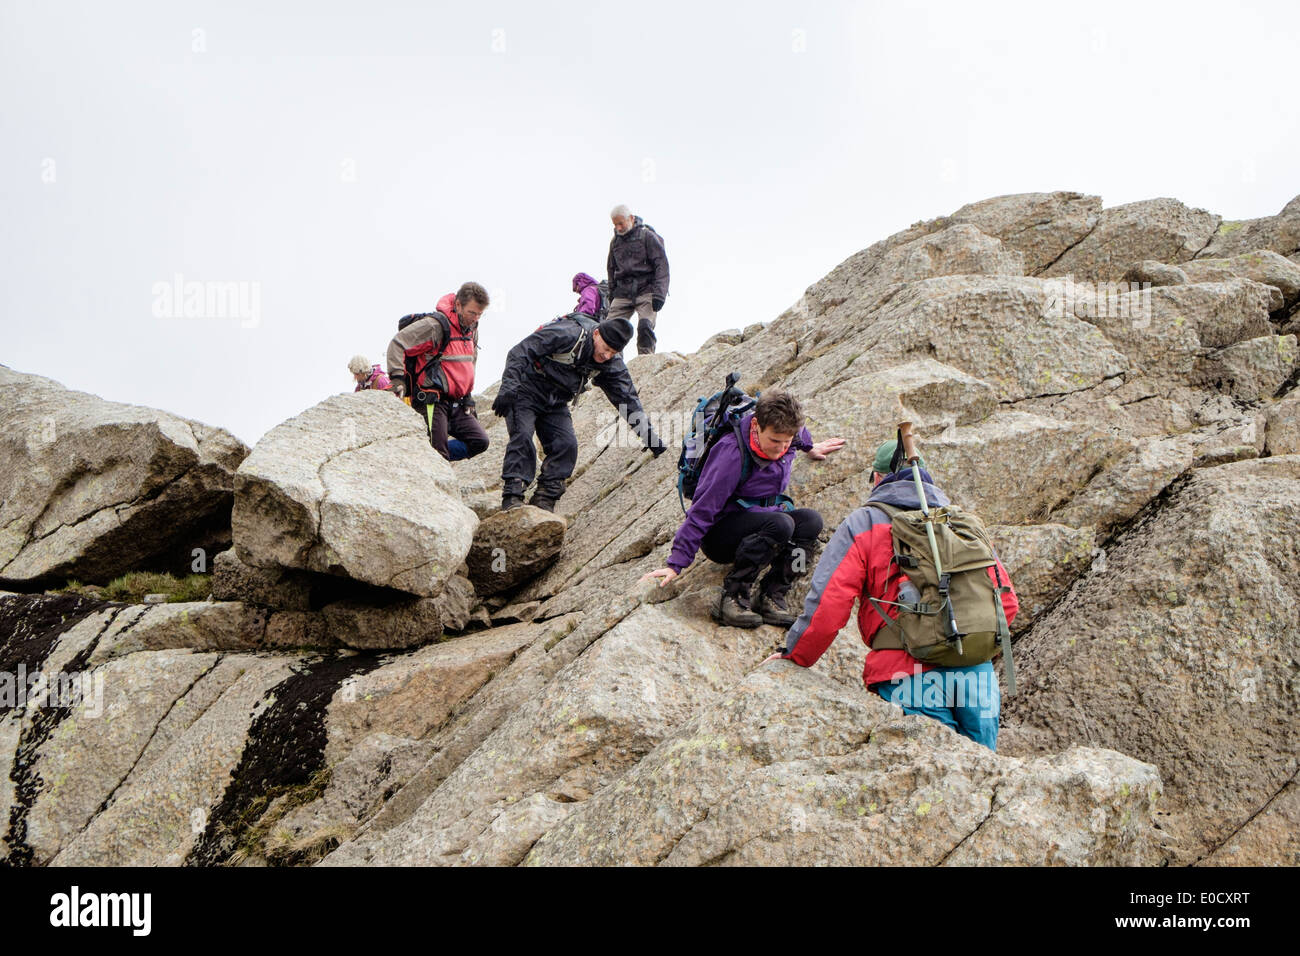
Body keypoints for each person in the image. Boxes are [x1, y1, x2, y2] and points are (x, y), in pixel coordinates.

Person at [771, 439, 1019, 750]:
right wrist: (969, 644)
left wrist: (795, 654)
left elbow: (829, 604)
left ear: (876, 478)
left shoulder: (863, 523)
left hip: (908, 675)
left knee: (933, 776)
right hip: (977, 680)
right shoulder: (962, 525)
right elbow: (1006, 603)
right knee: (982, 779)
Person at [641, 391, 845, 628]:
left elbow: (800, 436)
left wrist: (810, 447)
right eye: (774, 441)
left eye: (786, 442)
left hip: (761, 519)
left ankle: (774, 594)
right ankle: (735, 596)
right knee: (781, 524)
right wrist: (675, 563)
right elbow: (702, 510)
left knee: (811, 522)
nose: (781, 449)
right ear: (757, 425)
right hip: (721, 535)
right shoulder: (732, 453)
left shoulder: (790, 431)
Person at [492, 315, 666, 512]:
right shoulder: (568, 334)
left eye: (614, 352)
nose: (607, 355)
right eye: (606, 348)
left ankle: (544, 500)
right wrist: (509, 387)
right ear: (596, 334)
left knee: (567, 445)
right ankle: (512, 497)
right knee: (522, 436)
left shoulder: (611, 364)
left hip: (556, 401)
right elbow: (519, 352)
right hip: (526, 390)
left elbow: (628, 401)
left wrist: (651, 440)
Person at [386, 282, 491, 462]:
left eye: (480, 314)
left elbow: (470, 362)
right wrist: (397, 378)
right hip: (431, 400)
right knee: (438, 454)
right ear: (458, 305)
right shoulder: (435, 326)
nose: (475, 318)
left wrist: (468, 395)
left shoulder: (472, 330)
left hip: (457, 402)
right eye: (472, 313)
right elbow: (398, 343)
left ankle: (423, 455)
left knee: (479, 441)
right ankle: (432, 459)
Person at [606, 205, 668, 355]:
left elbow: (662, 265)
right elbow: (611, 269)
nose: (618, 228)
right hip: (622, 293)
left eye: (621, 223)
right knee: (609, 330)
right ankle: (613, 365)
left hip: (646, 290)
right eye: (615, 224)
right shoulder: (615, 243)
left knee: (645, 327)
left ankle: (645, 361)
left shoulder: (647, 237)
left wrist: (660, 294)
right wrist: (611, 294)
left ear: (631, 218)